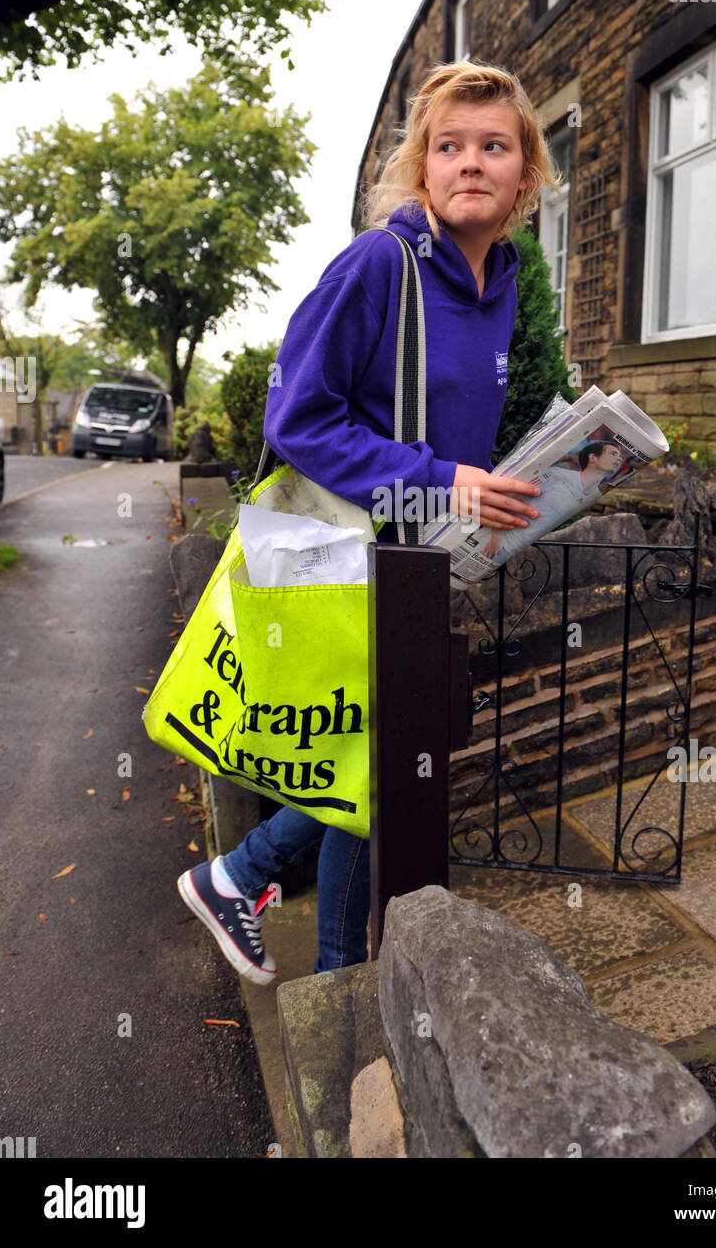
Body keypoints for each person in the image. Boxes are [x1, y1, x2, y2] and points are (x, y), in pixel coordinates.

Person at [177, 59, 561, 982]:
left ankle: (263, 898)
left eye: (494, 146)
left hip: (417, 559)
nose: (471, 163)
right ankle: (321, 953)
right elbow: (297, 419)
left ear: (526, 173)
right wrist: (442, 484)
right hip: (348, 558)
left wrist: (498, 495)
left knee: (376, 760)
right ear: (422, 168)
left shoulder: (501, 281)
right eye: (449, 146)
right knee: (372, 760)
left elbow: (448, 432)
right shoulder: (376, 264)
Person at [482, 441, 626, 563]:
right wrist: (496, 538)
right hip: (494, 544)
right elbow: (508, 499)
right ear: (593, 458)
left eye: (620, 456)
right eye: (613, 453)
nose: (619, 459)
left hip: (518, 554)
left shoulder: (594, 493)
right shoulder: (557, 475)